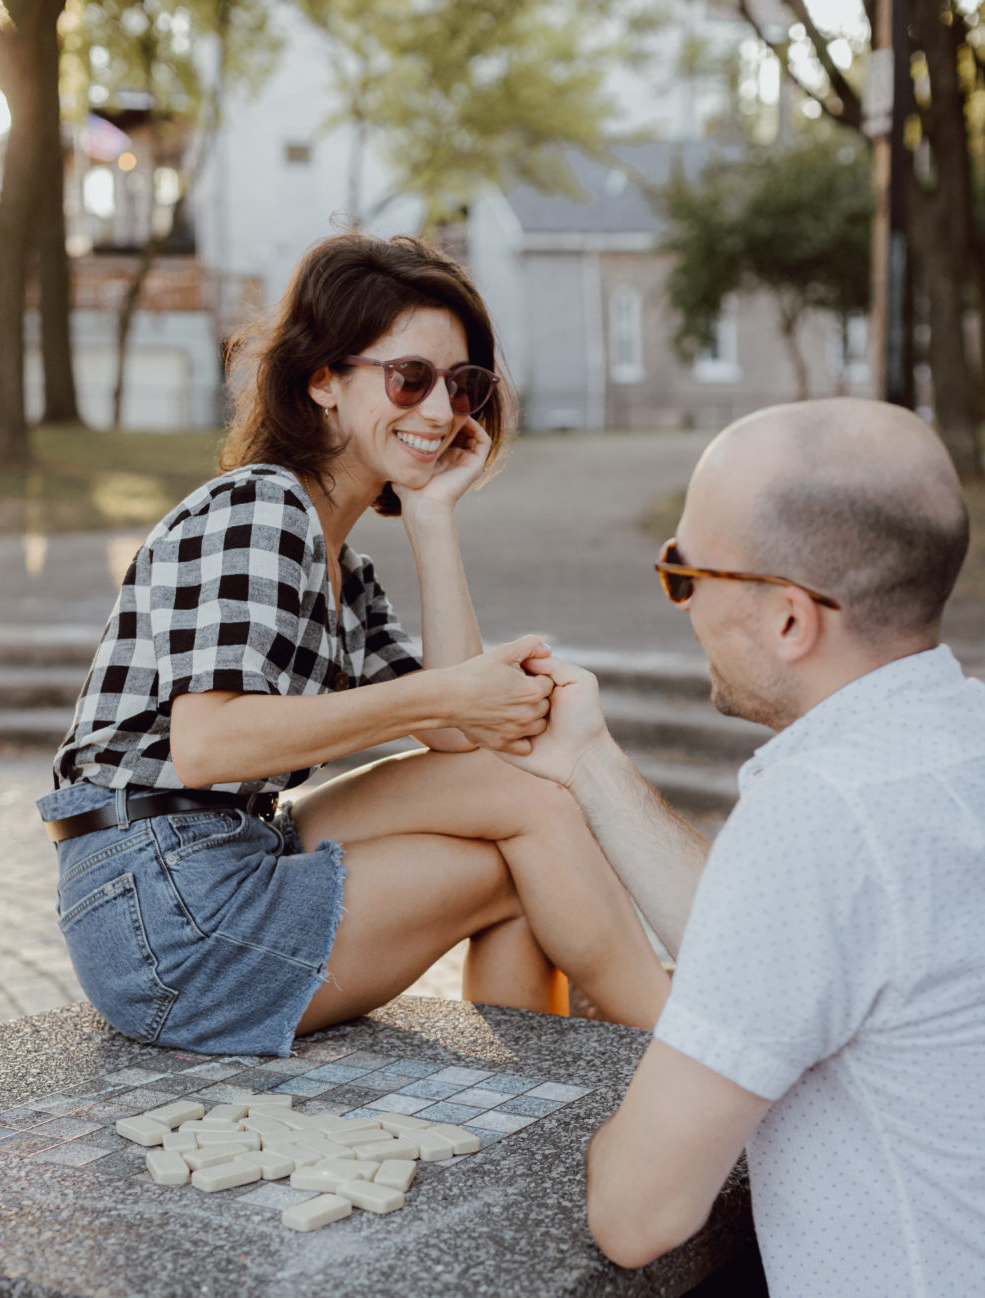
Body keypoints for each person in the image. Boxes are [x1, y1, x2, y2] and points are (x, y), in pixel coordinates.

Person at [333, 398, 985, 1298]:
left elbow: (634, 1212)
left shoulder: (823, 817)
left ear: (787, 615)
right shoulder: (948, 741)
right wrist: (582, 758)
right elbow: (772, 943)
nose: (671, 598)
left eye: (684, 570)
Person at [36, 233, 667, 1056]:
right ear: (322, 379)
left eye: (463, 385)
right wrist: (441, 696)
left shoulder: (342, 561)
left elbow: (457, 739)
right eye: (409, 378)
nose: (440, 413)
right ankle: (682, 1040)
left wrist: (435, 515)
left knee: (517, 795)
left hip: (222, 847)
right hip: (162, 910)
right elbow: (208, 743)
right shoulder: (260, 506)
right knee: (517, 865)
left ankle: (610, 1056)